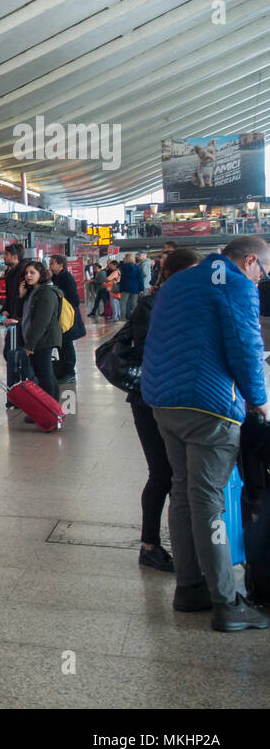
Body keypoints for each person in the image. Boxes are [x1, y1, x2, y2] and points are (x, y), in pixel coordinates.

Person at [143, 237, 270, 631]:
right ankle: (227, 601)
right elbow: (246, 344)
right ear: (250, 261)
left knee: (182, 491)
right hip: (209, 406)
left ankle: (189, 587)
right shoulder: (235, 283)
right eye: (262, 272)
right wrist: (259, 399)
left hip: (164, 402)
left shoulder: (179, 281)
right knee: (209, 499)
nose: (260, 280)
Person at [123, 247, 201, 573]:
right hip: (149, 398)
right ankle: (150, 545)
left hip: (178, 399)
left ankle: (186, 542)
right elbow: (145, 349)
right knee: (163, 473)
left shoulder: (191, 303)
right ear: (172, 274)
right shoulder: (151, 305)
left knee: (180, 475)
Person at [19, 261, 63, 402]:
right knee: (45, 375)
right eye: (26, 273)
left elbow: (41, 322)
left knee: (45, 376)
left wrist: (30, 344)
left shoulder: (46, 293)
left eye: (32, 273)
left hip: (44, 340)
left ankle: (51, 412)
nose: (28, 276)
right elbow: (24, 315)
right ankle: (52, 411)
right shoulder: (33, 292)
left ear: (41, 274)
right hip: (37, 340)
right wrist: (22, 296)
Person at [0, 244, 30, 389]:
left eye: (6, 255)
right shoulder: (11, 273)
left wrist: (17, 317)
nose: (4, 257)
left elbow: (24, 298)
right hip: (13, 319)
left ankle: (23, 384)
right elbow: (11, 296)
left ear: (15, 257)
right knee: (10, 353)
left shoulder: (23, 273)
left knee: (14, 354)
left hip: (19, 321)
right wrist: (5, 309)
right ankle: (20, 385)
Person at [49, 254, 84, 383]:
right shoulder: (57, 277)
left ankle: (70, 372)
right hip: (62, 317)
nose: (50, 266)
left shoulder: (66, 278)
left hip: (68, 318)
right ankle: (64, 370)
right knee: (62, 345)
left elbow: (74, 299)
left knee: (67, 344)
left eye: (52, 263)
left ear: (60, 265)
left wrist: (64, 308)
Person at [119, 252, 144, 319]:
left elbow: (122, 279)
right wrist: (141, 288)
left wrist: (121, 289)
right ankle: (135, 318)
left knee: (123, 302)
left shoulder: (123, 267)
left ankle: (123, 318)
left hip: (126, 287)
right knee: (134, 304)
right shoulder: (137, 268)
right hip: (135, 287)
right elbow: (140, 278)